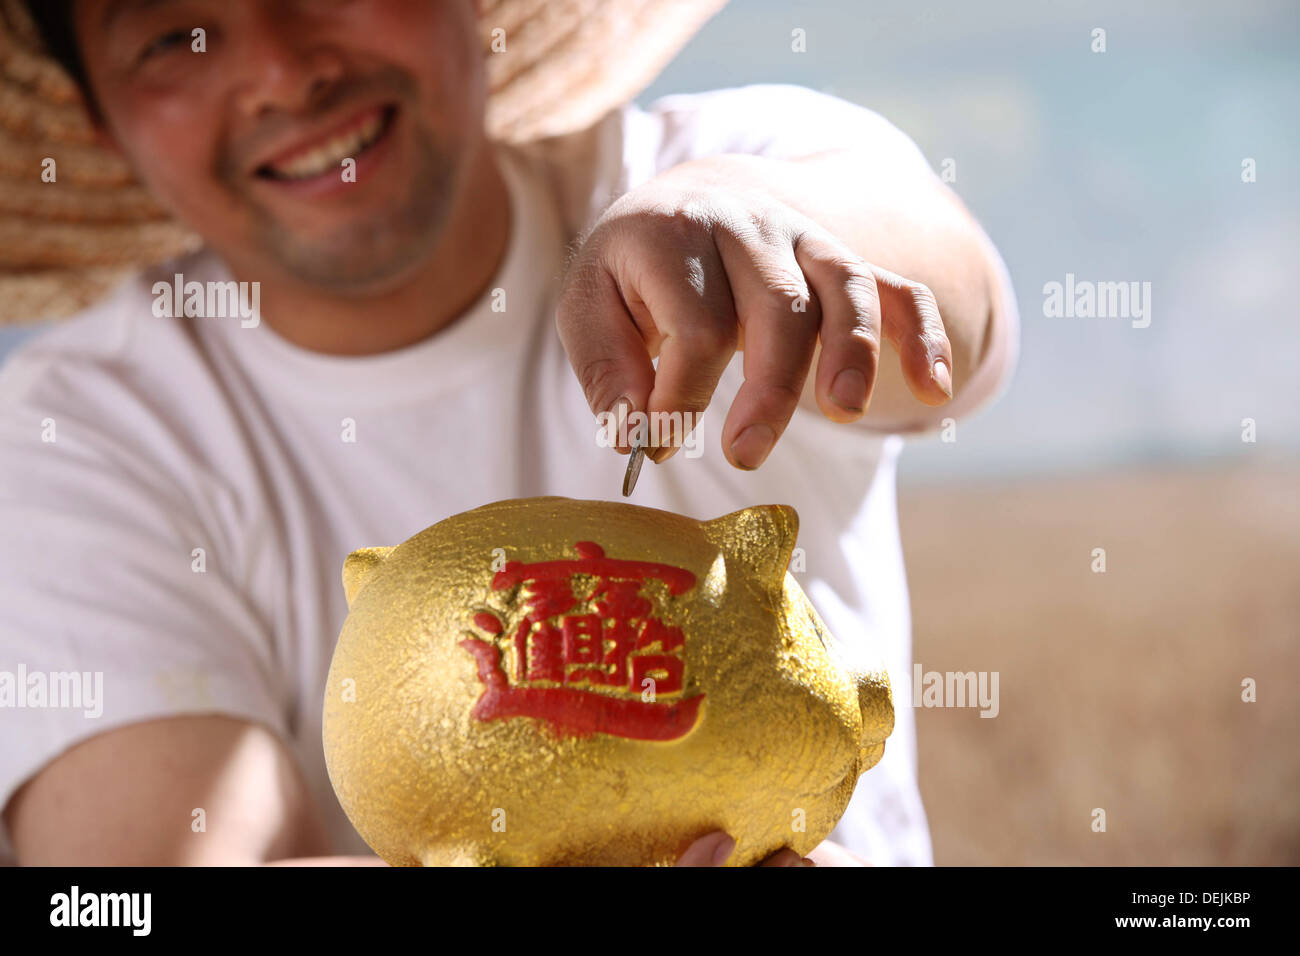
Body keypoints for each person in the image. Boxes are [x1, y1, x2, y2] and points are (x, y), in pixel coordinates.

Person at [0, 0, 1017, 866]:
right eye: (174, 34)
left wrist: (755, 218)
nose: (283, 71)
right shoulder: (73, 440)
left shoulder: (735, 162)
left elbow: (954, 314)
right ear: (97, 118)